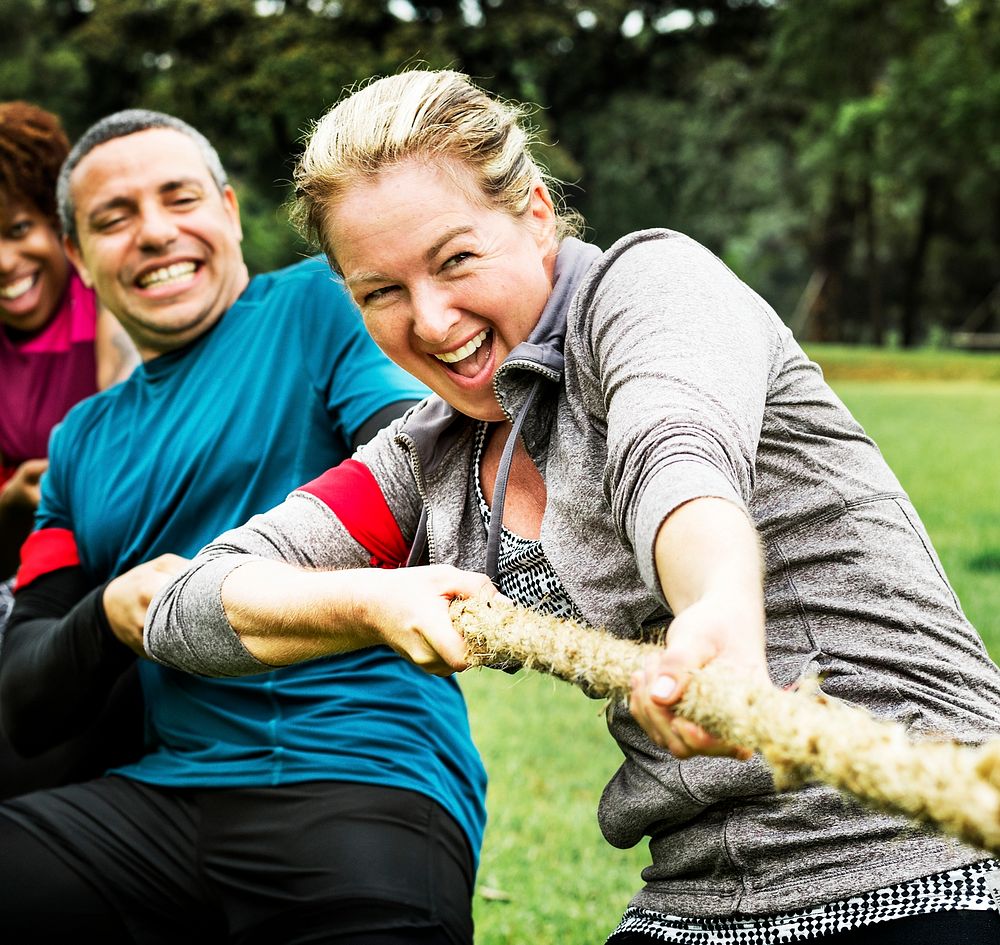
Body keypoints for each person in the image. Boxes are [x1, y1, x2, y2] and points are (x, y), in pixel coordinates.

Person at [145, 69, 1000, 944]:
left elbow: (675, 457)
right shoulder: (427, 455)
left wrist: (718, 613)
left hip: (923, 852)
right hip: (699, 899)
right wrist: (373, 603)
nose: (434, 321)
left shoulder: (651, 291)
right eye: (382, 292)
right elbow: (191, 607)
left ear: (536, 211)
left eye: (455, 260)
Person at [0, 107, 486, 945]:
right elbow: (26, 695)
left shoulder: (318, 307)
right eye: (114, 218)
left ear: (227, 211)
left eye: (178, 198)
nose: (154, 232)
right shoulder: (79, 443)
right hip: (157, 801)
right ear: (79, 258)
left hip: (358, 774)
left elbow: (422, 471)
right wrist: (112, 611)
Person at [0, 100, 140, 799]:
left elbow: (134, 430)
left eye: (19, 229)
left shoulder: (107, 303)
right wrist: (13, 502)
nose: (4, 261)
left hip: (109, 570)